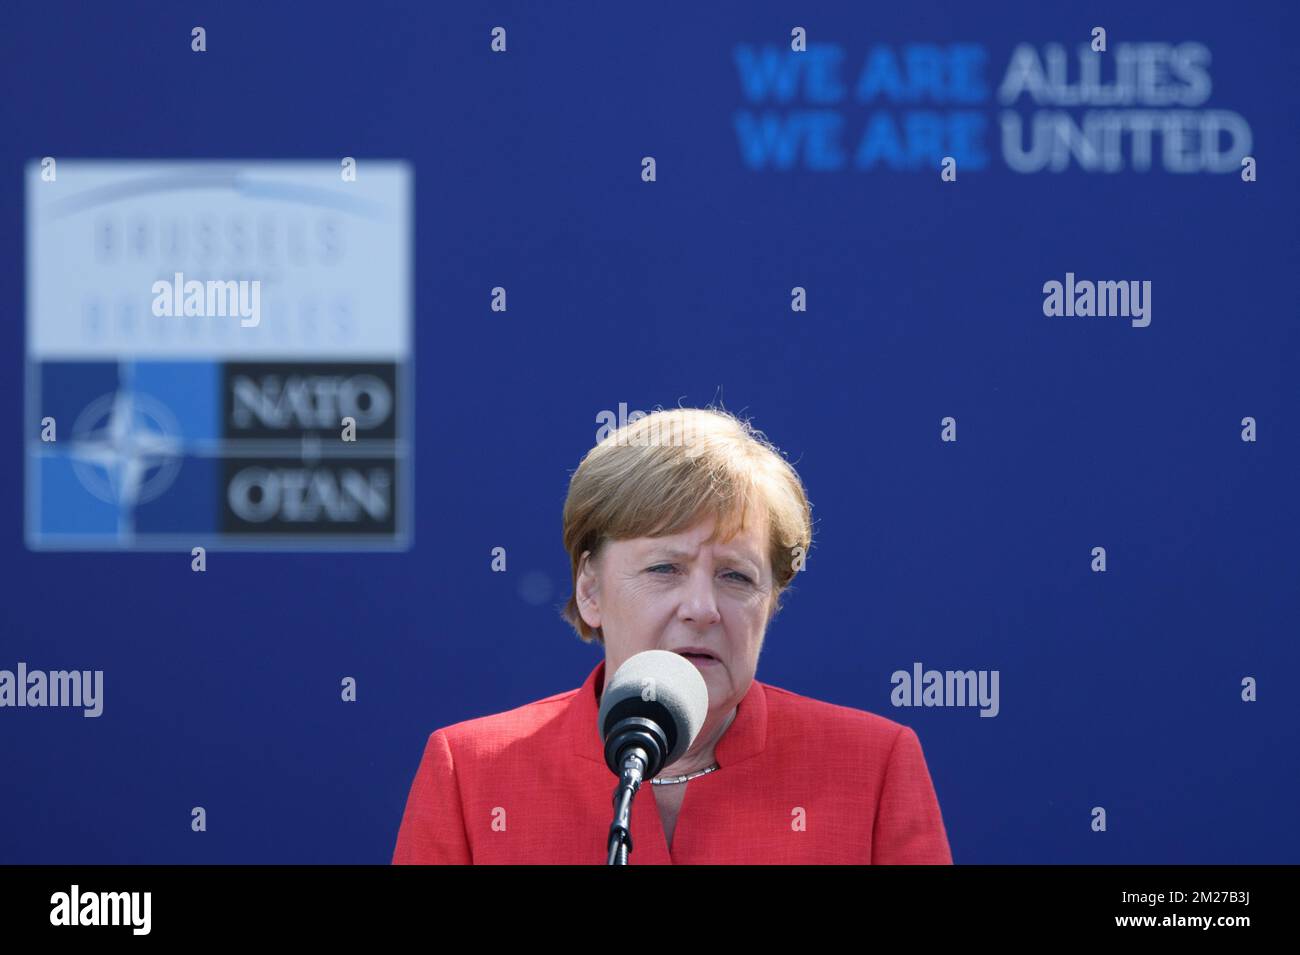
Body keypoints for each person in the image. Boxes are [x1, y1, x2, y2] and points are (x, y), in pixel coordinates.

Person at [392, 406, 952, 863]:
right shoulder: (471, 772)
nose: (703, 608)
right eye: (665, 569)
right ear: (590, 588)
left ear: (772, 601)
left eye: (736, 576)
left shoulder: (873, 767)